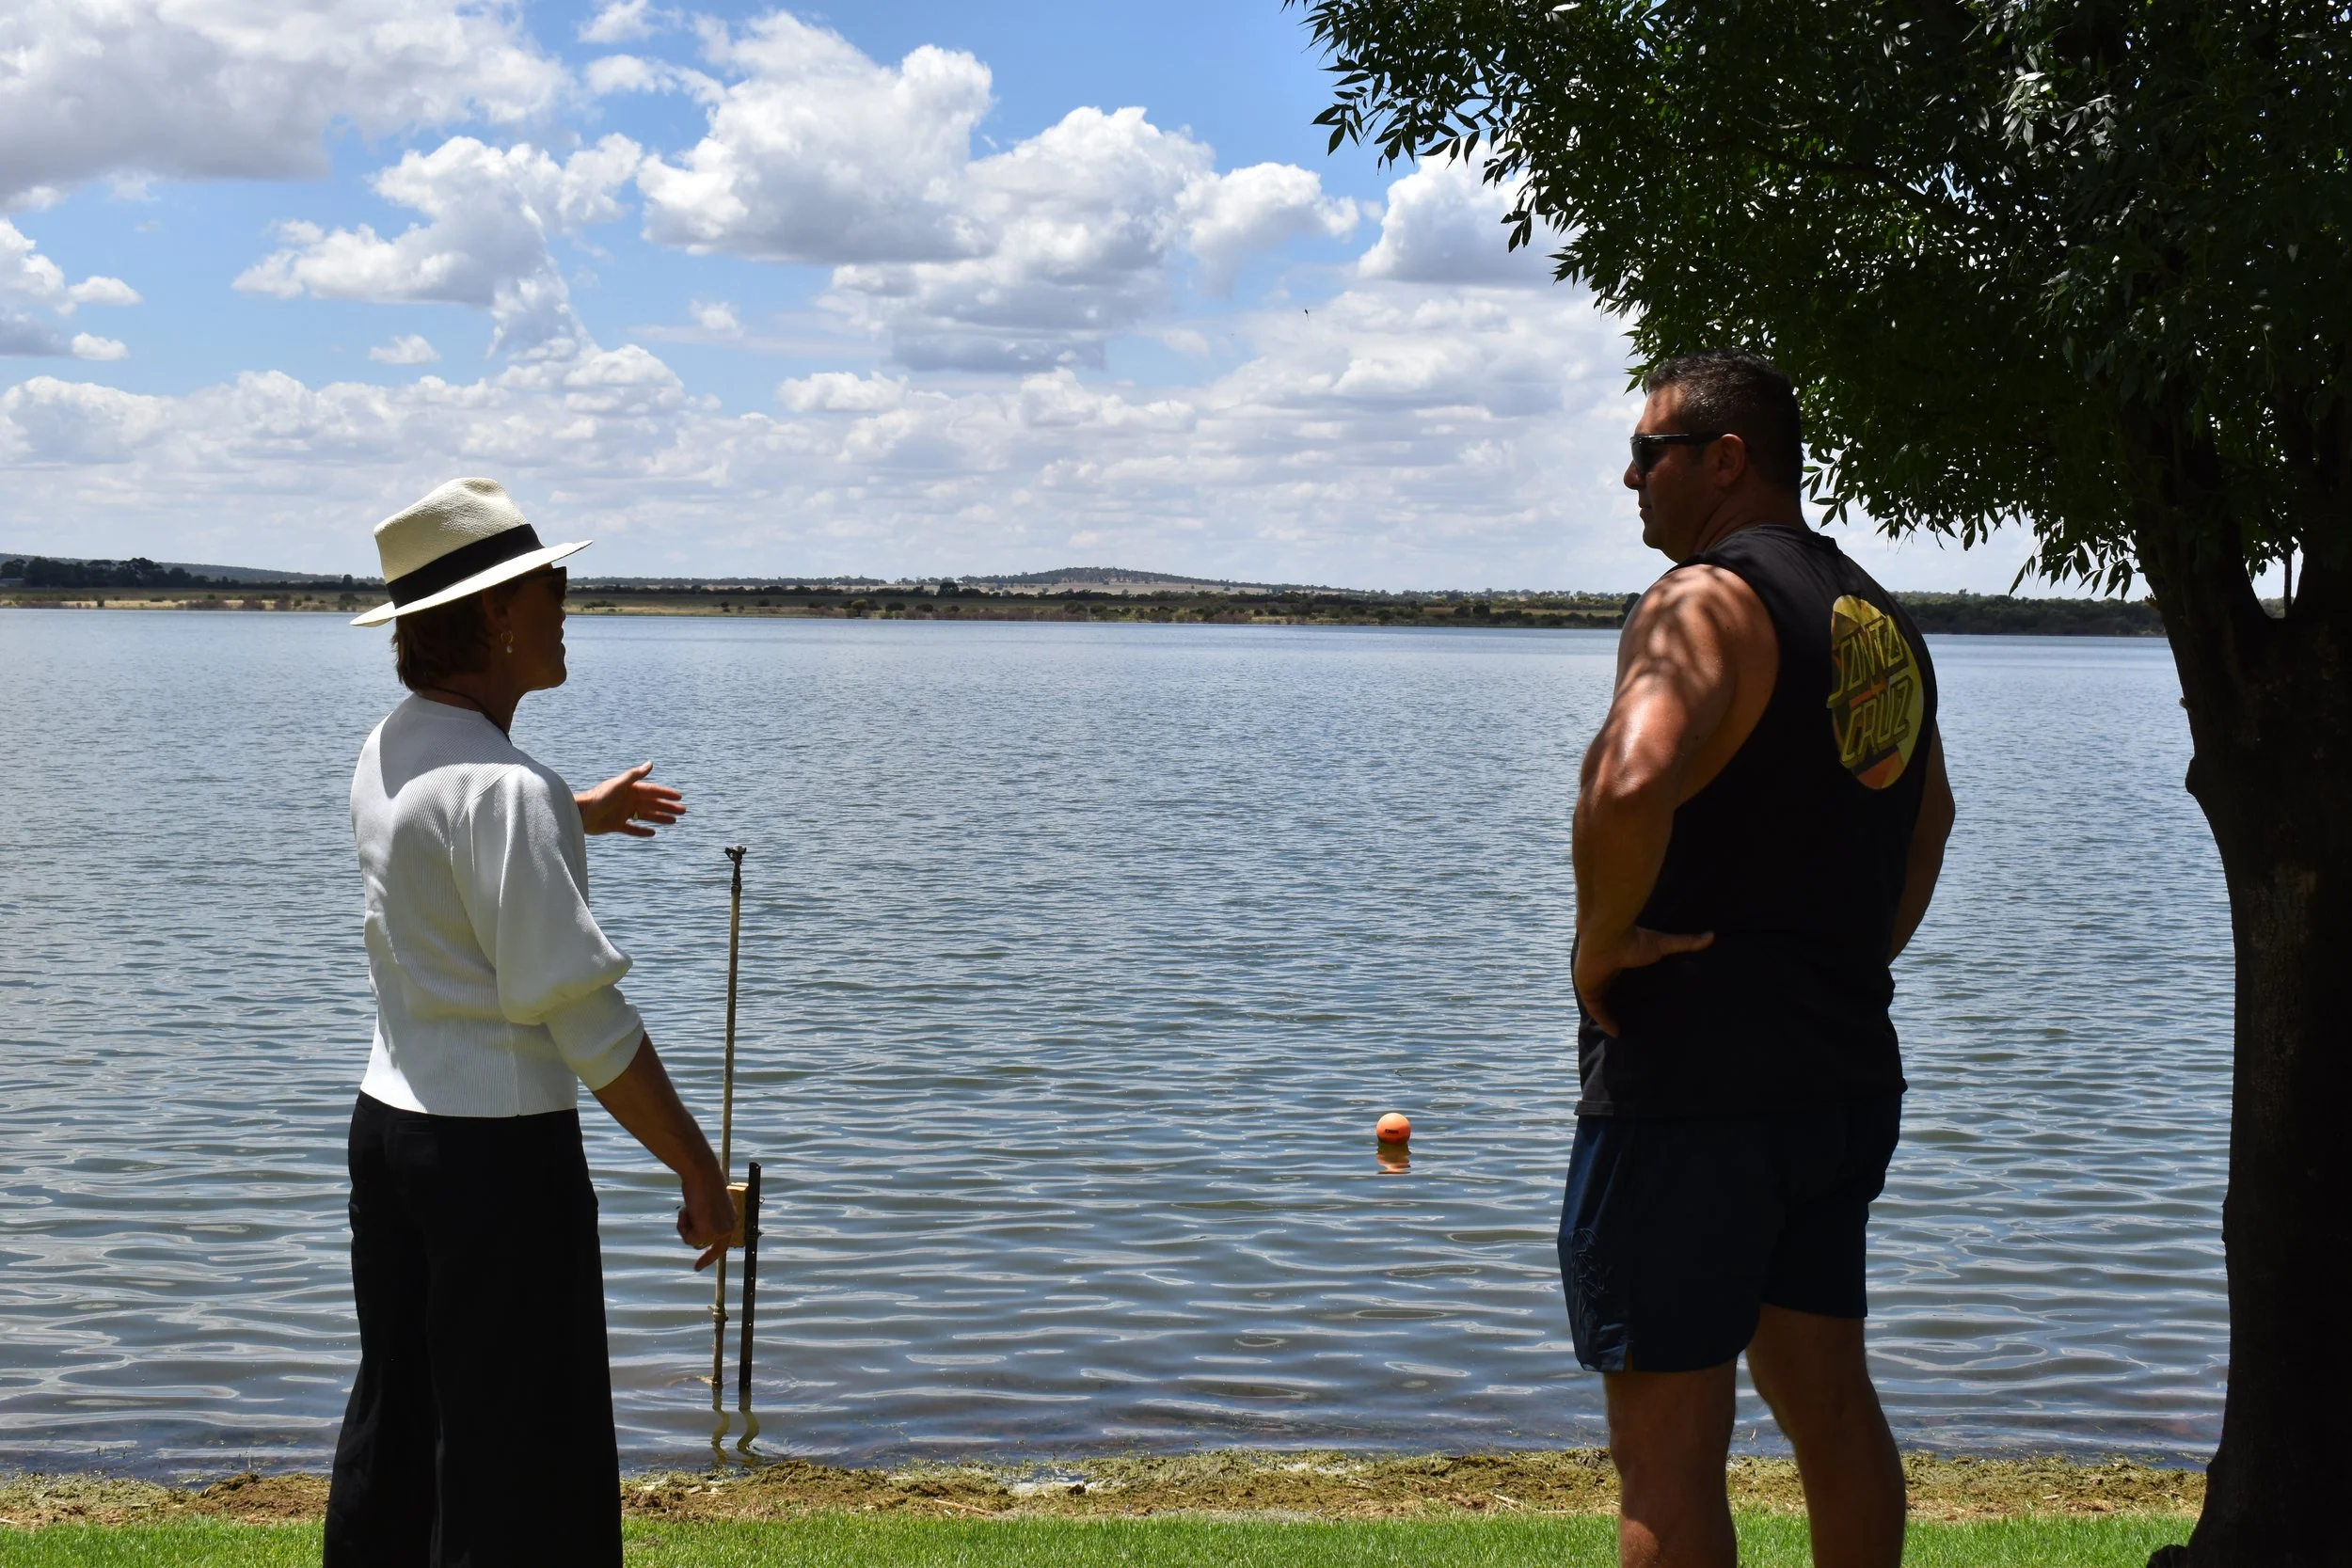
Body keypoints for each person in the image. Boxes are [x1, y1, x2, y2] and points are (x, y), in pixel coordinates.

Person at [1563, 352, 1956, 1568]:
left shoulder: (1703, 603)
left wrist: (1602, 943)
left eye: (1650, 453)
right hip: (1837, 1073)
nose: (1629, 477)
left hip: (1692, 1088)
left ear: (1726, 458)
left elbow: (1632, 781)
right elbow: (1929, 819)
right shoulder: (1873, 619)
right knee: (1828, 1400)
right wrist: (1841, 956)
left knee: (1669, 1449)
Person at [326, 478, 738, 1567]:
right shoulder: (504, 792)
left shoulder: (395, 743)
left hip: (392, 1134)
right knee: (522, 1461)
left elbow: (446, 852)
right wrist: (698, 1171)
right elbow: (583, 1019)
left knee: (405, 1426)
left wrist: (572, 810)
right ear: (498, 613)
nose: (567, 604)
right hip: (494, 1163)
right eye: (552, 585)